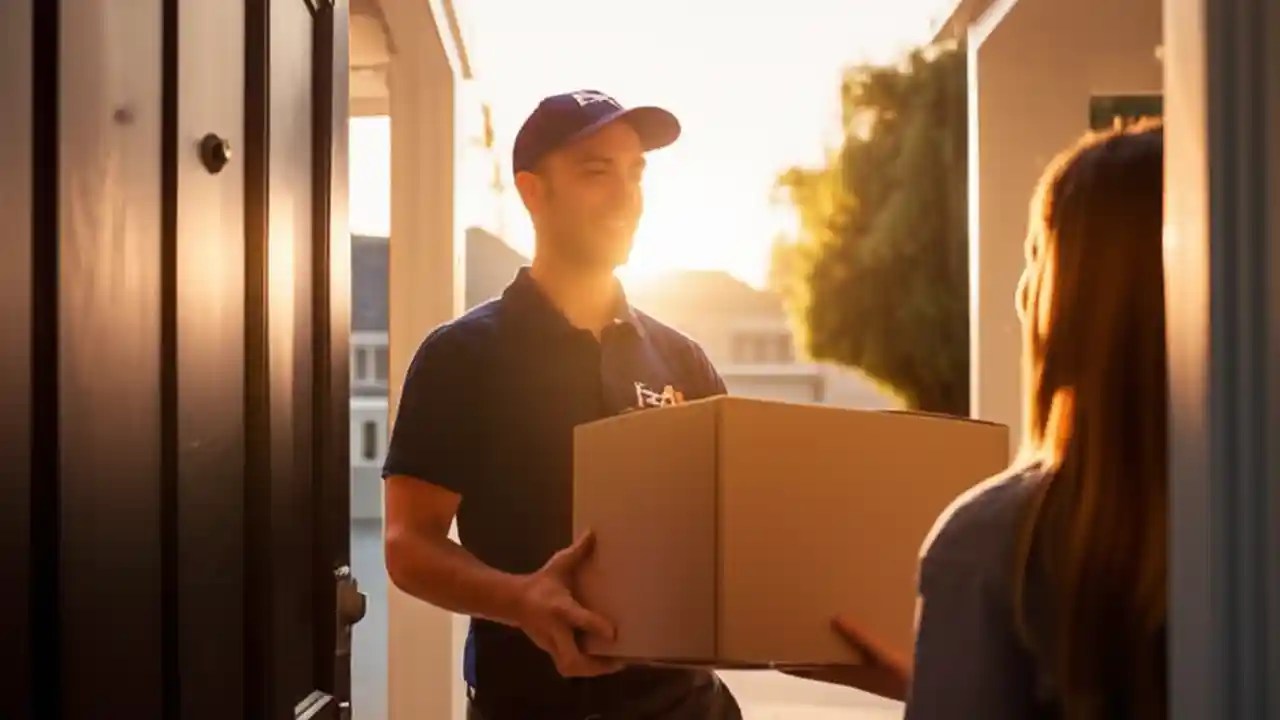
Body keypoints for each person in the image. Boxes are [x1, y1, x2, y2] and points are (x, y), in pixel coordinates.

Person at [381, 90, 742, 720]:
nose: (626, 196)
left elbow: (736, 527)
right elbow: (408, 543)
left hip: (688, 708)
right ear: (533, 191)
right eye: (597, 172)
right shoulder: (462, 356)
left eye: (635, 173)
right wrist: (520, 599)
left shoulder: (681, 358)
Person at [796, 121, 1168, 719]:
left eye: (1037, 255)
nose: (1021, 292)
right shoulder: (1240, 523)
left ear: (1062, 301)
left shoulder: (997, 543)